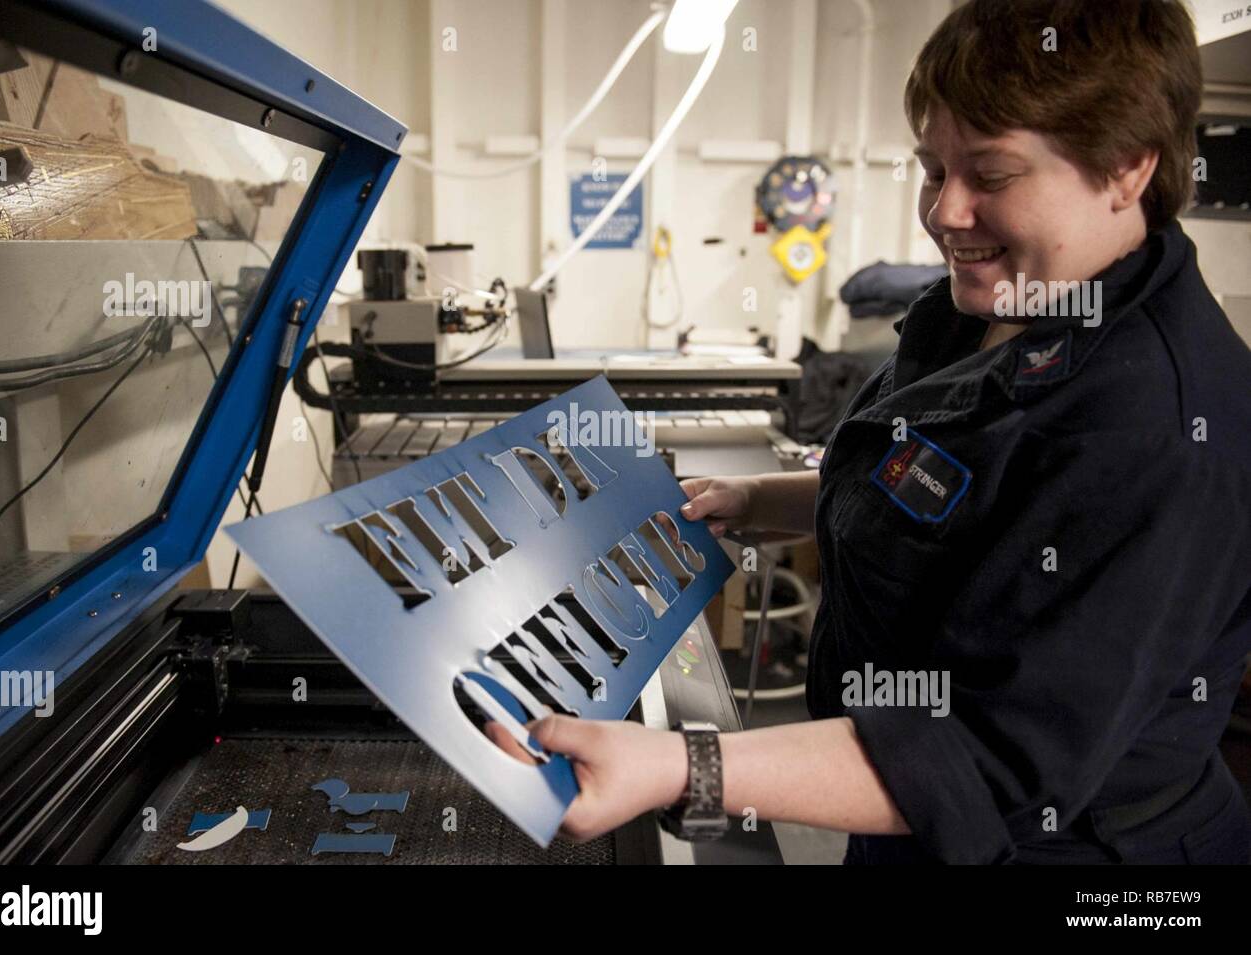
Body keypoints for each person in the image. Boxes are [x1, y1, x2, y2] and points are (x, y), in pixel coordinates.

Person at [491, 0, 1251, 863]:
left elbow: (988, 758)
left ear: (1127, 167)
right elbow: (934, 491)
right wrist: (757, 497)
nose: (945, 213)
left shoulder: (1155, 425)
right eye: (933, 169)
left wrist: (685, 766)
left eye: (991, 176)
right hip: (893, 804)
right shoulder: (990, 314)